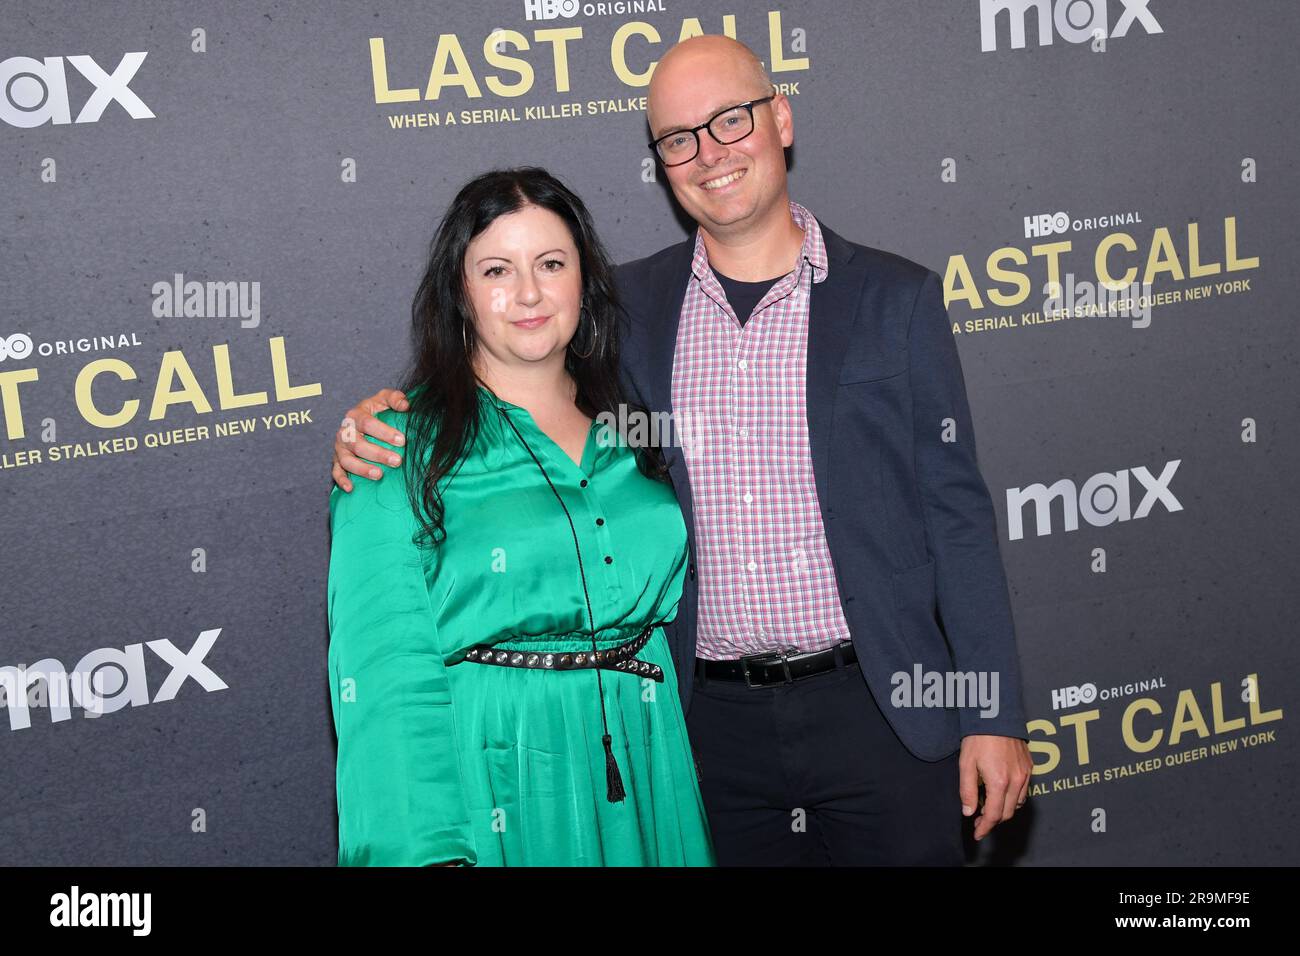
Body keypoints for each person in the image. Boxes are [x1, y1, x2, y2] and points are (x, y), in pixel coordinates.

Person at [332, 35, 1033, 866]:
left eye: (730, 120)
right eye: (678, 139)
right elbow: (509, 375)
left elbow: (957, 518)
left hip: (880, 709)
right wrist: (384, 415)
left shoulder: (896, 298)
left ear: (781, 119)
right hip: (700, 731)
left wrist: (991, 711)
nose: (709, 154)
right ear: (661, 163)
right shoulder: (625, 311)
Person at [326, 167, 715, 866]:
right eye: (497, 269)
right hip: (501, 784)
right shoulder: (394, 450)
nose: (529, 293)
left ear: (584, 281)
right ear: (460, 292)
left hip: (651, 761)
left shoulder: (636, 424)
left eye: (551, 264)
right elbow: (385, 680)